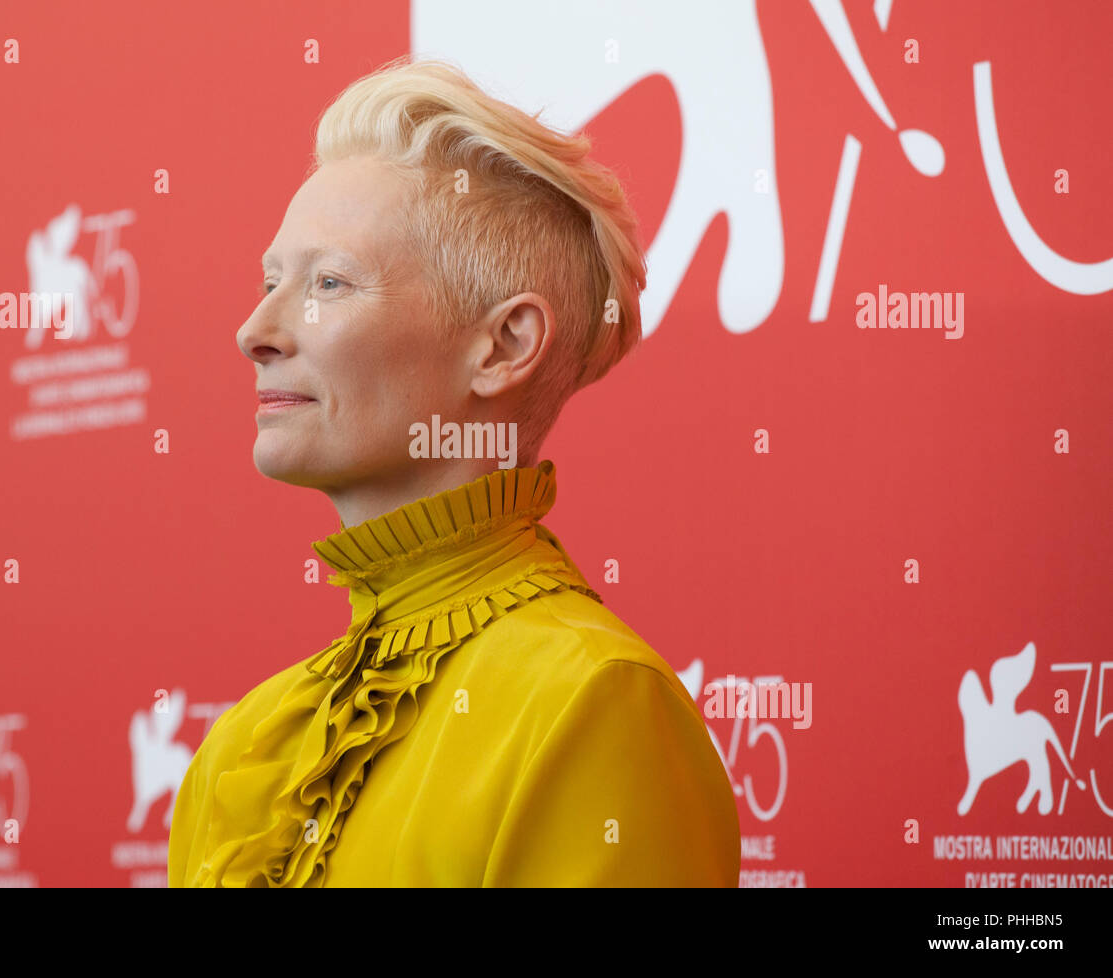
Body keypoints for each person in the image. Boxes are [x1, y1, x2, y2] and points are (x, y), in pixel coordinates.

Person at [167, 55, 740, 887]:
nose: (255, 330)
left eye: (327, 283)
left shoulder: (593, 705)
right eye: (269, 281)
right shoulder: (243, 744)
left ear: (504, 345)